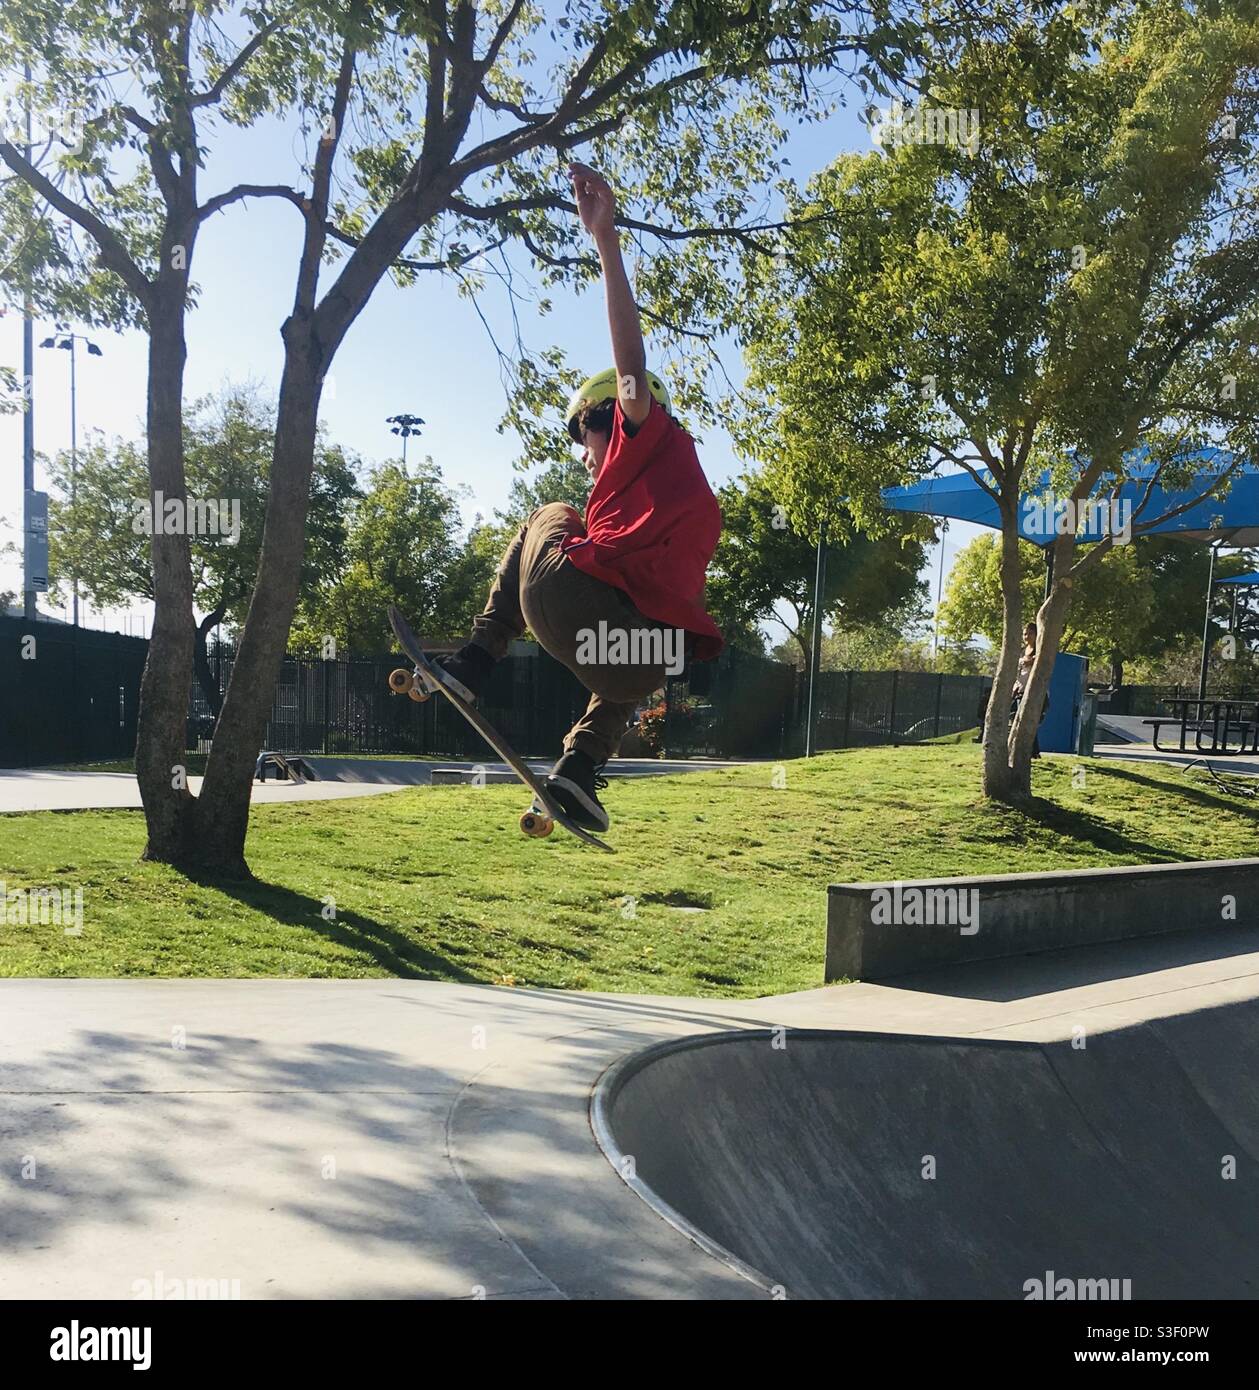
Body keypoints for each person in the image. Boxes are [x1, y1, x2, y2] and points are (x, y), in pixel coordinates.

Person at [426, 162, 723, 831]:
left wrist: (606, 240)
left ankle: (477, 656)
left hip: (564, 607)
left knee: (550, 516)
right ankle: (580, 773)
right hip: (638, 665)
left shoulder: (640, 431)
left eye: (581, 441)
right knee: (655, 625)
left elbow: (628, 367)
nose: (587, 462)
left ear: (602, 422)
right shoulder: (683, 511)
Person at [1011, 621, 1047, 759]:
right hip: (1020, 688)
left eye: (1030, 633)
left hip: (1032, 690)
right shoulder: (1021, 651)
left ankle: (1034, 752)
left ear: (1036, 634)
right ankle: (1030, 751)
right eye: (1025, 633)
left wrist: (1031, 660)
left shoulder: (1039, 650)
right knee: (1018, 718)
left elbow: (1039, 661)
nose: (1027, 636)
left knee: (1028, 720)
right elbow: (1019, 670)